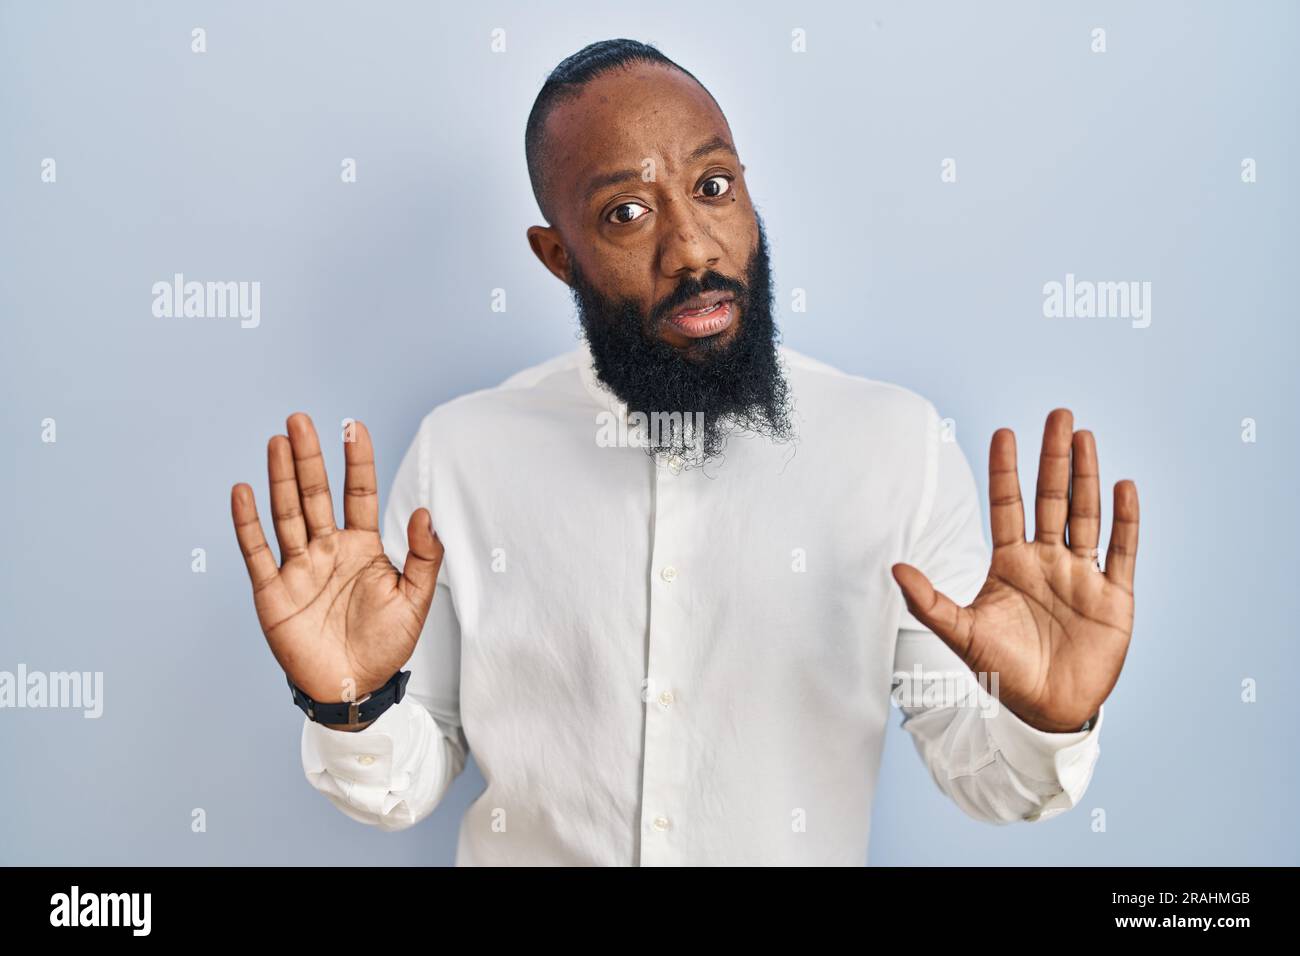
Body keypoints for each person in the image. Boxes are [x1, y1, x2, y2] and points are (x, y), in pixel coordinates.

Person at [229, 39, 1140, 866]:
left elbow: (986, 776)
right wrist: (351, 703)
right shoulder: (461, 453)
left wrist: (1047, 719)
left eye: (713, 188)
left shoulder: (892, 444)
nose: (693, 249)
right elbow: (405, 780)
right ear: (558, 256)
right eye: (626, 212)